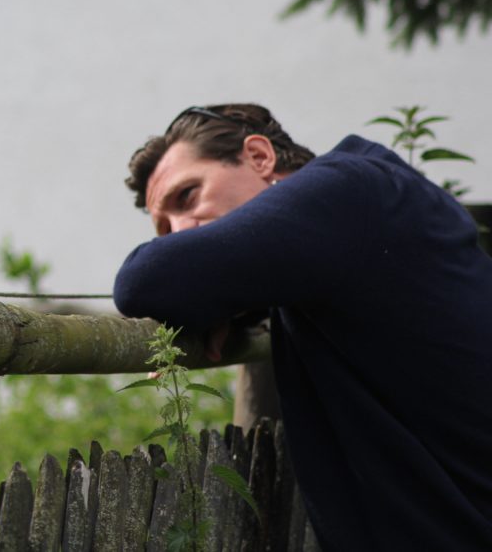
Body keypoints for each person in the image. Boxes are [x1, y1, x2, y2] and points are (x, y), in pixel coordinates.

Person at [112, 103, 492, 550]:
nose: (179, 232)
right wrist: (239, 302)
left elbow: (144, 281)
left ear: (259, 157)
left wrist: (213, 293)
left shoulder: (344, 192)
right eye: (164, 229)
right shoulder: (356, 213)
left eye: (188, 196)